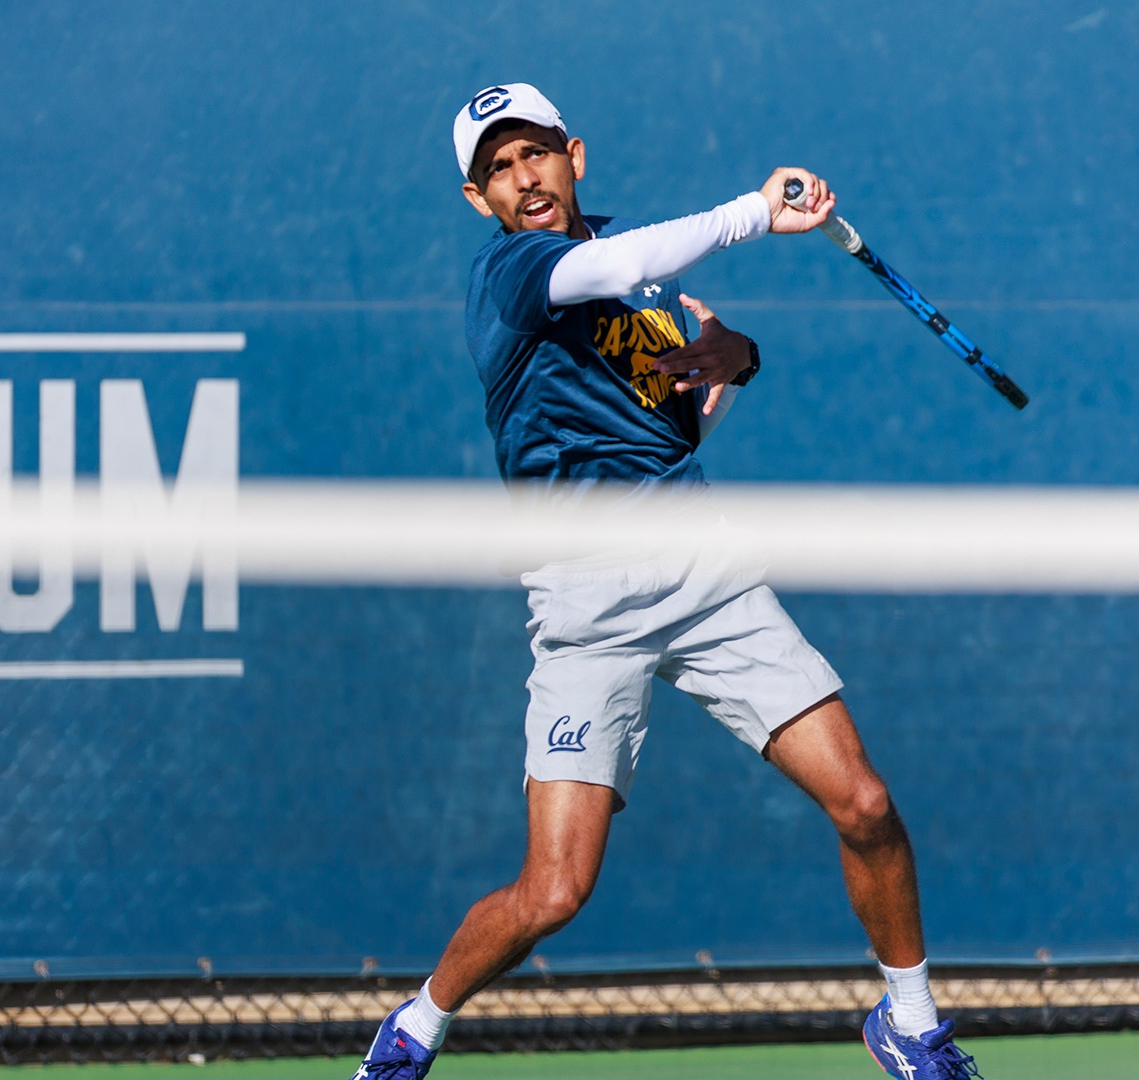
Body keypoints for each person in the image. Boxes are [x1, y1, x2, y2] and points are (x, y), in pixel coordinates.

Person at [350, 83, 982, 1080]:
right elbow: (616, 262)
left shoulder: (642, 283)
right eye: (499, 169)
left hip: (702, 572)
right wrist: (753, 213)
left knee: (863, 802)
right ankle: (417, 1024)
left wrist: (738, 357)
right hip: (584, 604)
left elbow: (687, 399)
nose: (524, 179)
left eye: (537, 155)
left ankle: (911, 1021)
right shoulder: (515, 272)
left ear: (575, 157)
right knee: (554, 892)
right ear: (481, 200)